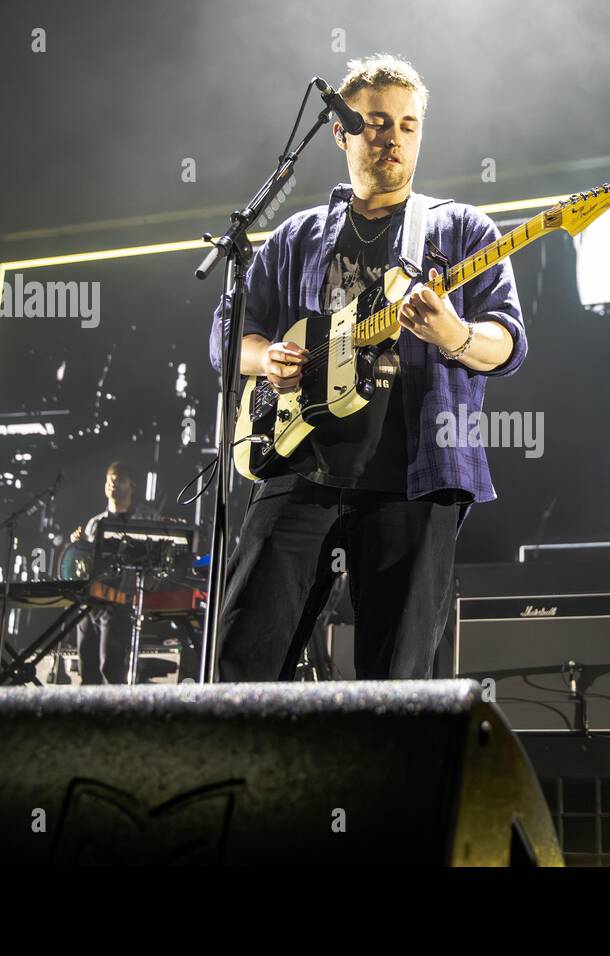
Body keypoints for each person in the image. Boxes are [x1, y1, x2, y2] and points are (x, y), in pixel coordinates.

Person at [207, 54, 526, 682]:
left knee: (396, 681)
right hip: (298, 465)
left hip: (414, 472)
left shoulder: (461, 229)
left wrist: (453, 333)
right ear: (341, 130)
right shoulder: (295, 236)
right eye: (377, 122)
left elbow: (507, 343)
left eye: (409, 125)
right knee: (242, 661)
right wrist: (266, 358)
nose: (393, 138)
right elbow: (227, 339)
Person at [70, 461, 141, 684]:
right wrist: (78, 545)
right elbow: (85, 566)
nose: (113, 485)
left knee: (112, 669)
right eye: (109, 479)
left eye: (119, 480)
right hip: (91, 603)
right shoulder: (94, 523)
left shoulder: (142, 519)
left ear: (132, 485)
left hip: (119, 602)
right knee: (87, 669)